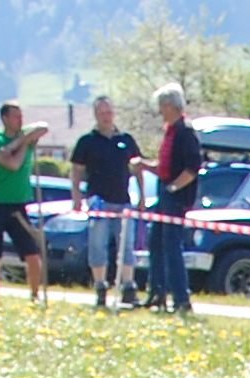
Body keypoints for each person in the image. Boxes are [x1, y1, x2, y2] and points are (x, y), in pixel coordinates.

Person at [69, 94, 145, 310]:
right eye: (102, 113)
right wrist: (77, 196)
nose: (106, 116)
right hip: (98, 203)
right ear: (95, 115)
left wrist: (141, 196)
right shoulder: (87, 142)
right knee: (97, 246)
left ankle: (128, 287)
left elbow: (137, 168)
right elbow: (76, 171)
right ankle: (101, 287)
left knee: (126, 246)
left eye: (109, 112)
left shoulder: (126, 140)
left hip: (123, 202)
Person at [0, 102, 46, 306]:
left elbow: (43, 127)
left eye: (21, 116)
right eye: (15, 116)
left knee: (32, 253)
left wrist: (23, 139)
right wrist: (22, 144)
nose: (20, 120)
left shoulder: (25, 139)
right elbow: (12, 164)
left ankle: (34, 296)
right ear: (5, 119)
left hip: (19, 205)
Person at [150, 86, 203, 315]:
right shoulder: (170, 132)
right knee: (156, 243)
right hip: (164, 193)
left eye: (162, 106)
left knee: (172, 247)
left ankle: (181, 298)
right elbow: (165, 167)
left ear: (171, 106)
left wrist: (173, 188)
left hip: (175, 198)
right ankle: (157, 293)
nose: (160, 111)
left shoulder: (185, 133)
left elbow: (192, 168)